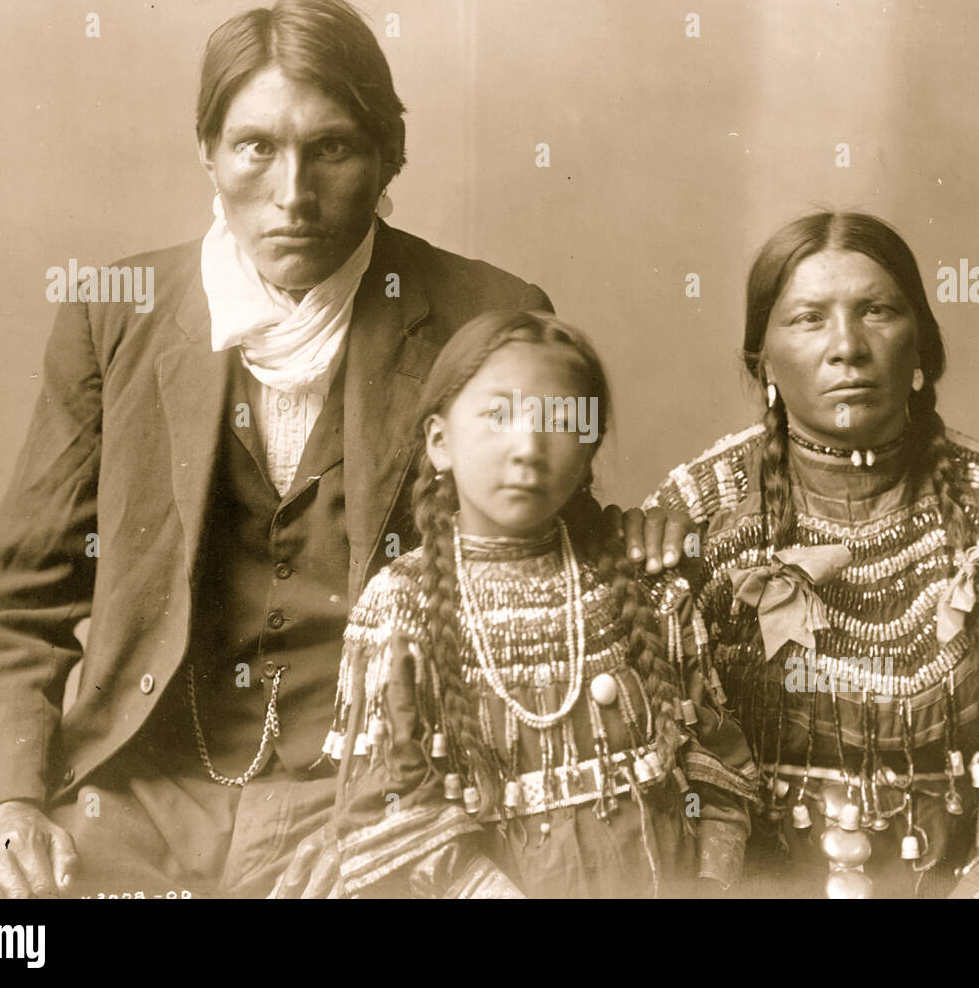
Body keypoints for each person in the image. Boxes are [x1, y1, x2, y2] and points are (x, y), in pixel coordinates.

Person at [0, 0, 685, 900]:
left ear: (388, 157)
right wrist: (3, 802)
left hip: (372, 793)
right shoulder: (115, 316)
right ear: (208, 152)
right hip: (145, 790)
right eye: (256, 147)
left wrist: (647, 533)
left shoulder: (484, 313)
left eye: (331, 148)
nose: (292, 195)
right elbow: (12, 599)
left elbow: (547, 544)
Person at [642, 211, 979, 898]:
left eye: (876, 311)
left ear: (920, 350)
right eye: (809, 319)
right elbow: (665, 770)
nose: (847, 347)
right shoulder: (701, 518)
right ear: (763, 362)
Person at [295, 310, 757, 898]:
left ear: (588, 451)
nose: (528, 448)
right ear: (440, 442)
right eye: (498, 416)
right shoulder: (402, 605)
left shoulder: (645, 589)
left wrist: (711, 887)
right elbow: (394, 818)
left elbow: (719, 776)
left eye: (560, 421)